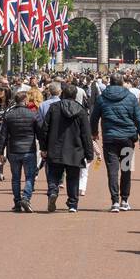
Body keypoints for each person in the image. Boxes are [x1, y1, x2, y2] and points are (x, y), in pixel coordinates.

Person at [90, 74, 140, 212]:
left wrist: (94, 133)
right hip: (127, 139)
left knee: (112, 171)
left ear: (110, 82)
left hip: (110, 139)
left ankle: (115, 201)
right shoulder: (131, 98)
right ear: (122, 82)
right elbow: (139, 119)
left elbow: (93, 118)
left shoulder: (102, 98)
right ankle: (125, 200)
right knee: (126, 169)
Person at [38, 83, 94, 213]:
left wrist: (43, 147)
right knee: (73, 177)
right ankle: (73, 204)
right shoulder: (81, 111)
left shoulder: (53, 108)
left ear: (63, 94)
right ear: (75, 96)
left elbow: (44, 129)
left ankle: (53, 191)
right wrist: (89, 153)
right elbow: (86, 134)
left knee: (54, 174)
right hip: (75, 149)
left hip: (55, 147)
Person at [0, 88, 41, 211]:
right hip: (29, 150)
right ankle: (26, 198)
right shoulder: (33, 115)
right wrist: (44, 147)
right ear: (25, 100)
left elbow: (3, 135)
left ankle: (17, 202)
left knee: (15, 177)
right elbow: (40, 133)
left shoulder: (9, 115)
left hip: (14, 150)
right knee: (29, 176)